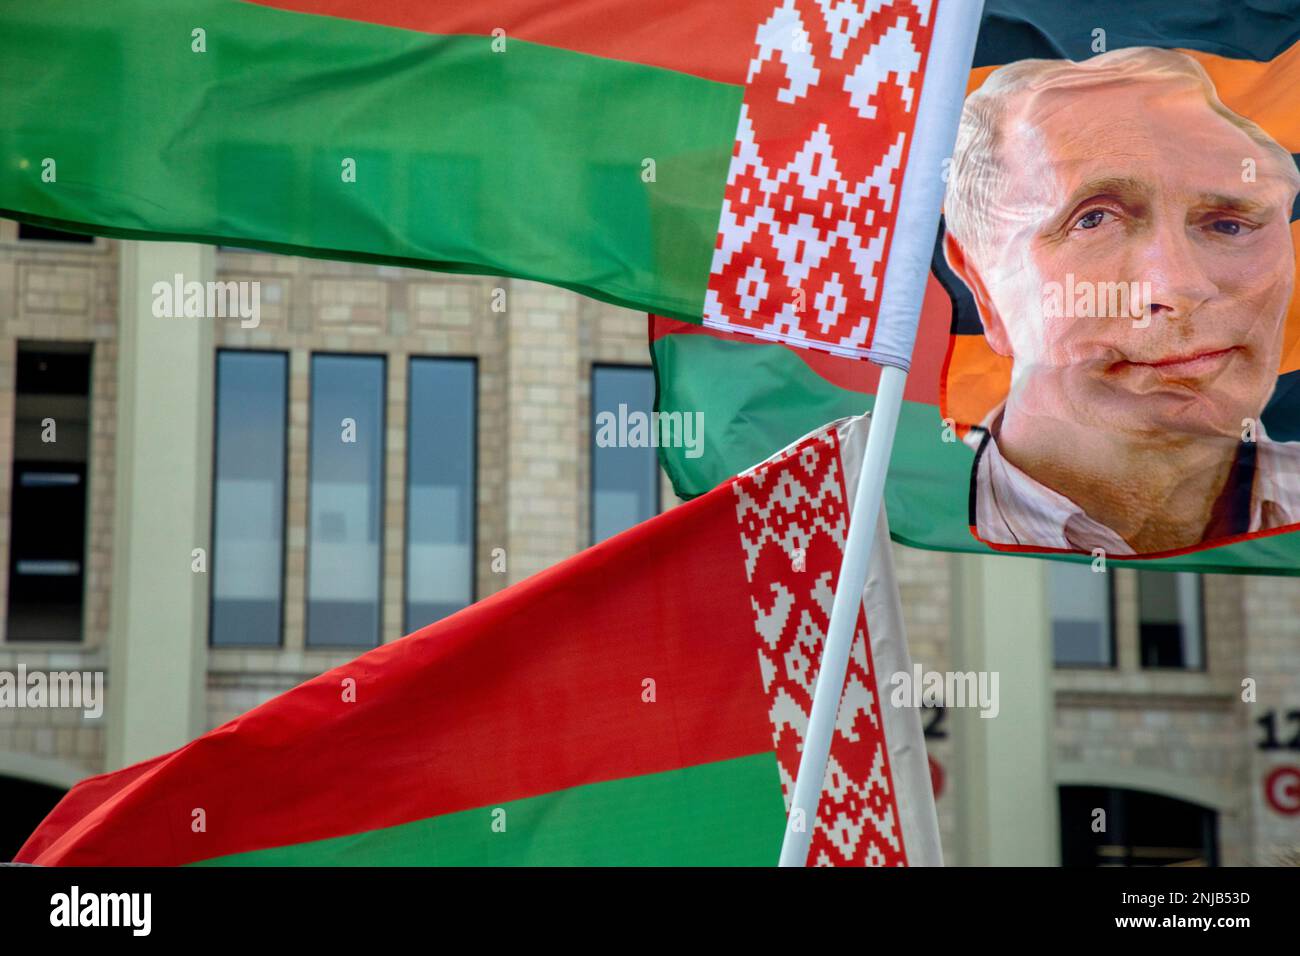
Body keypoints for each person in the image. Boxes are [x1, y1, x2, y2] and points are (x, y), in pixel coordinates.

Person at [943, 46, 1300, 555]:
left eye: (1228, 223)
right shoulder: (878, 509)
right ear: (981, 282)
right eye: (1093, 219)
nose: (1179, 286)